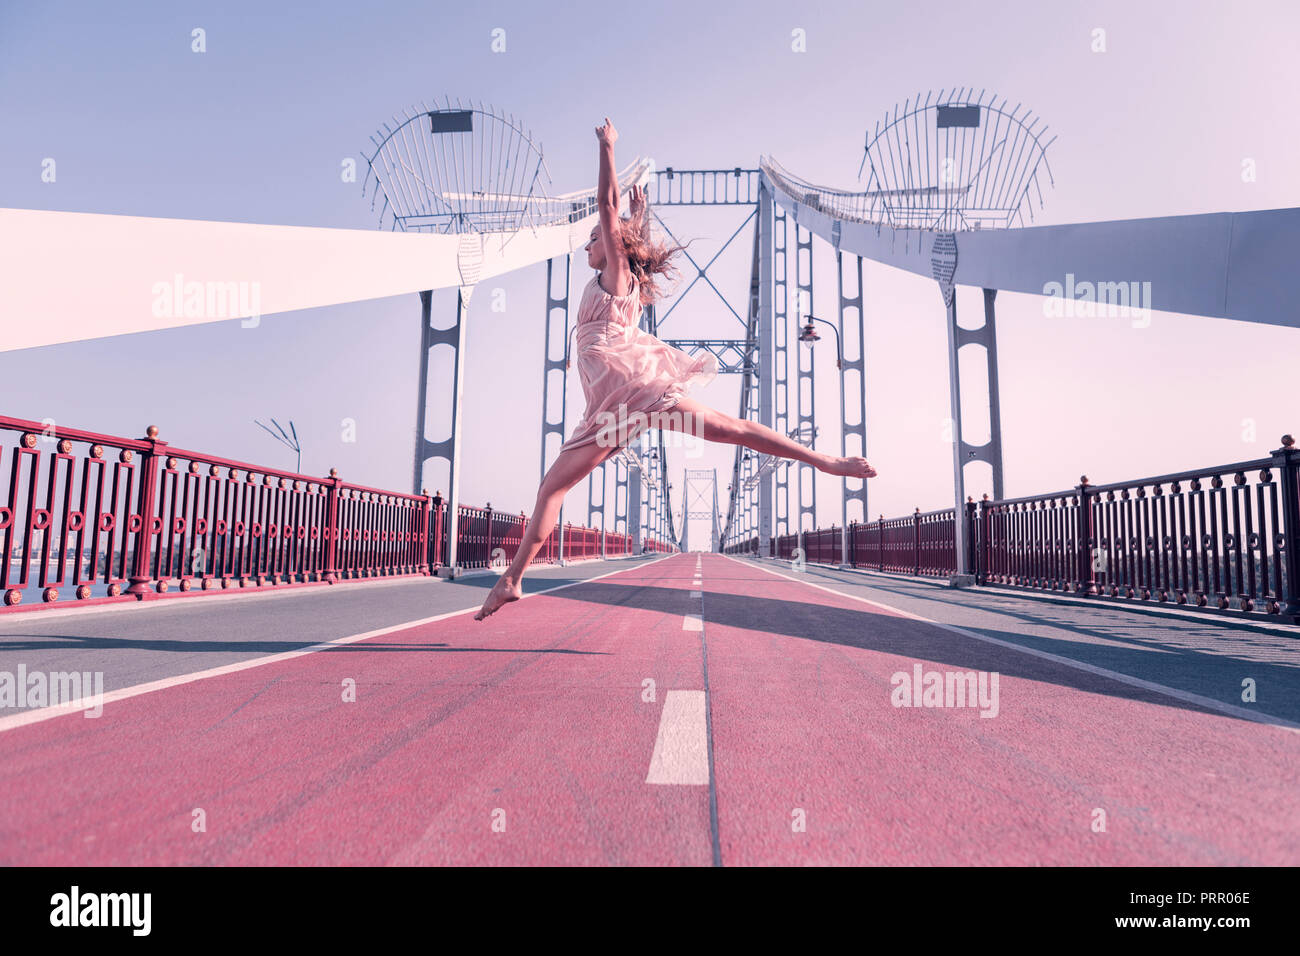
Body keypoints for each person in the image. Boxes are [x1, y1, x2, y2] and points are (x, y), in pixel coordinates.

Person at [475, 117, 876, 620]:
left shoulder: (616, 274)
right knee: (732, 430)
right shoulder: (626, 281)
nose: (587, 245)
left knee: (557, 488)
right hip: (621, 407)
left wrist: (608, 149)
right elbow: (617, 228)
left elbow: (605, 207)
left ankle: (514, 577)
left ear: (612, 244)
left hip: (624, 393)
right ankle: (511, 581)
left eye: (595, 241)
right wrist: (640, 217)